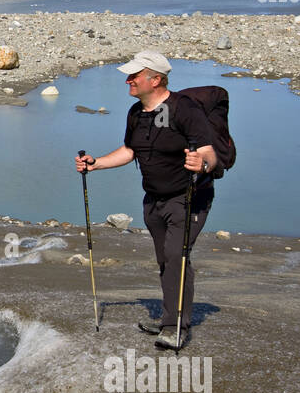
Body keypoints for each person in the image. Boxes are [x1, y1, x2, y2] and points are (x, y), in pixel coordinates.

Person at [75, 51, 218, 349]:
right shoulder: (136, 113)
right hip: (153, 199)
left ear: (156, 80)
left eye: (134, 76)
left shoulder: (184, 108)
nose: (128, 80)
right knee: (165, 258)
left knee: (176, 257)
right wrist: (95, 163)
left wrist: (201, 164)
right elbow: (130, 150)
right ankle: (169, 316)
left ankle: (175, 326)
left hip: (189, 196)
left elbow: (209, 152)